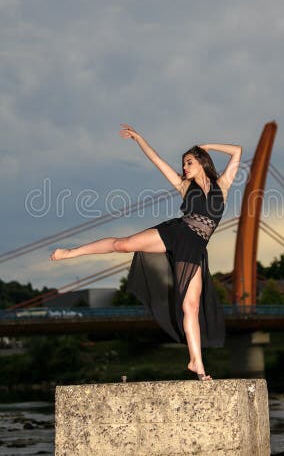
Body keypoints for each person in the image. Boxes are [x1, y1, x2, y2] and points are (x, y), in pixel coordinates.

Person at [50, 124, 242, 381]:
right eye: (183, 164)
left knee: (191, 306)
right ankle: (72, 252)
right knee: (123, 244)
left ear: (201, 162)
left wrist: (208, 145)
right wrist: (139, 138)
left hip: (195, 249)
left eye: (189, 162)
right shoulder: (184, 186)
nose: (184, 167)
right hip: (176, 233)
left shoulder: (223, 185)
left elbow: (238, 151)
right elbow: (156, 160)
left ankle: (197, 364)